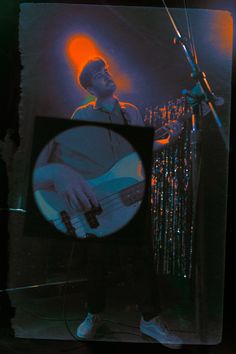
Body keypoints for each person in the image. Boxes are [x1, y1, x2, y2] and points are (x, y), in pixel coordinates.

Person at [34, 57, 183, 348]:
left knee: (142, 258)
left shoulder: (131, 112)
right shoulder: (81, 114)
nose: (106, 76)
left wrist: (169, 140)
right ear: (90, 87)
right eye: (98, 76)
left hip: (131, 197)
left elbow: (142, 150)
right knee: (96, 261)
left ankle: (150, 321)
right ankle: (94, 314)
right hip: (97, 199)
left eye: (106, 71)